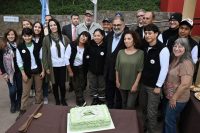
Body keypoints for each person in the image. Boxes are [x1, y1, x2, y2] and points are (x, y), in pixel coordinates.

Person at [139, 24, 170, 133]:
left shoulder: (163, 49)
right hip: (143, 84)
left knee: (151, 113)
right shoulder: (145, 46)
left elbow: (164, 69)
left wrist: (158, 86)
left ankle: (151, 131)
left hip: (154, 87)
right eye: (146, 33)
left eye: (150, 33)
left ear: (156, 34)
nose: (147, 35)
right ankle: (144, 128)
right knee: (143, 109)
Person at [163, 38, 194, 133]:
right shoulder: (176, 59)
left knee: (169, 121)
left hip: (178, 98)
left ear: (186, 49)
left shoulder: (186, 63)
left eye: (180, 47)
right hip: (170, 95)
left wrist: (174, 98)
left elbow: (185, 84)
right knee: (168, 120)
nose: (177, 48)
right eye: (175, 46)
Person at [16, 28, 44, 118]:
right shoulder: (20, 47)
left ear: (32, 36)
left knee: (38, 90)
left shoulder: (37, 45)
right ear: (23, 36)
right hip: (27, 73)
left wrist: (43, 70)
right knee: (25, 93)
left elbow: (41, 59)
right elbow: (19, 62)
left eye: (29, 35)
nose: (27, 37)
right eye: (25, 36)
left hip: (37, 71)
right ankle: (23, 110)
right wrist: (23, 74)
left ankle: (37, 106)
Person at [42, 18, 70, 106]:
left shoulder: (64, 38)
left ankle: (63, 99)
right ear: (49, 27)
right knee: (54, 84)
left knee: (62, 84)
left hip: (63, 65)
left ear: (57, 26)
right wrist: (46, 68)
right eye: (51, 25)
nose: (53, 27)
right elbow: (44, 54)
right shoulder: (46, 39)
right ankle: (57, 100)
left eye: (54, 25)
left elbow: (70, 50)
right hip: (52, 66)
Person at [115, 30, 144, 109]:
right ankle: (125, 119)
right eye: (125, 39)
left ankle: (130, 120)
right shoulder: (120, 52)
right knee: (123, 103)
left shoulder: (140, 53)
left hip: (133, 84)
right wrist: (117, 81)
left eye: (129, 39)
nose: (126, 41)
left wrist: (136, 84)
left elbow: (140, 71)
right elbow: (117, 68)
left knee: (130, 105)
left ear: (134, 40)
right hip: (122, 83)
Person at [104, 16, 128, 109]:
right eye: (114, 25)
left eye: (118, 25)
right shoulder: (109, 36)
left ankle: (118, 111)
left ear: (124, 25)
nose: (116, 27)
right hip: (109, 71)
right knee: (109, 93)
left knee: (119, 95)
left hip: (121, 72)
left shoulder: (128, 36)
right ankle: (109, 109)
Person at [66, 31, 91, 106]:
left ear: (87, 39)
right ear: (79, 36)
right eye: (82, 35)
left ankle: (79, 96)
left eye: (86, 37)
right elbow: (66, 58)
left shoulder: (87, 47)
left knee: (82, 84)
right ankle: (80, 100)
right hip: (73, 68)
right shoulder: (72, 45)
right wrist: (70, 71)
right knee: (76, 85)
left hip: (83, 68)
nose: (83, 38)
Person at [0, 29, 22, 113]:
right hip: (9, 72)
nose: (11, 36)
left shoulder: (19, 45)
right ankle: (13, 103)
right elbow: (0, 61)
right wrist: (4, 73)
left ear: (15, 36)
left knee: (20, 88)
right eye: (9, 35)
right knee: (13, 90)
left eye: (12, 34)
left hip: (19, 71)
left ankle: (18, 102)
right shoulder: (3, 46)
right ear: (6, 36)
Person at [84, 29, 107, 105]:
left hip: (102, 71)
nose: (96, 37)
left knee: (102, 86)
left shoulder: (106, 45)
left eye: (98, 35)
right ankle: (95, 98)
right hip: (92, 70)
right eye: (95, 35)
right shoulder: (90, 44)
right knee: (93, 85)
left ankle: (101, 99)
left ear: (102, 36)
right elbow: (86, 55)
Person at [32, 21, 49, 104]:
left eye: (39, 27)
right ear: (33, 27)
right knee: (36, 81)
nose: (37, 29)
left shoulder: (44, 38)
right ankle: (37, 96)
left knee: (44, 79)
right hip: (32, 63)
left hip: (43, 61)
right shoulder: (29, 37)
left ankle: (45, 95)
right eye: (35, 27)